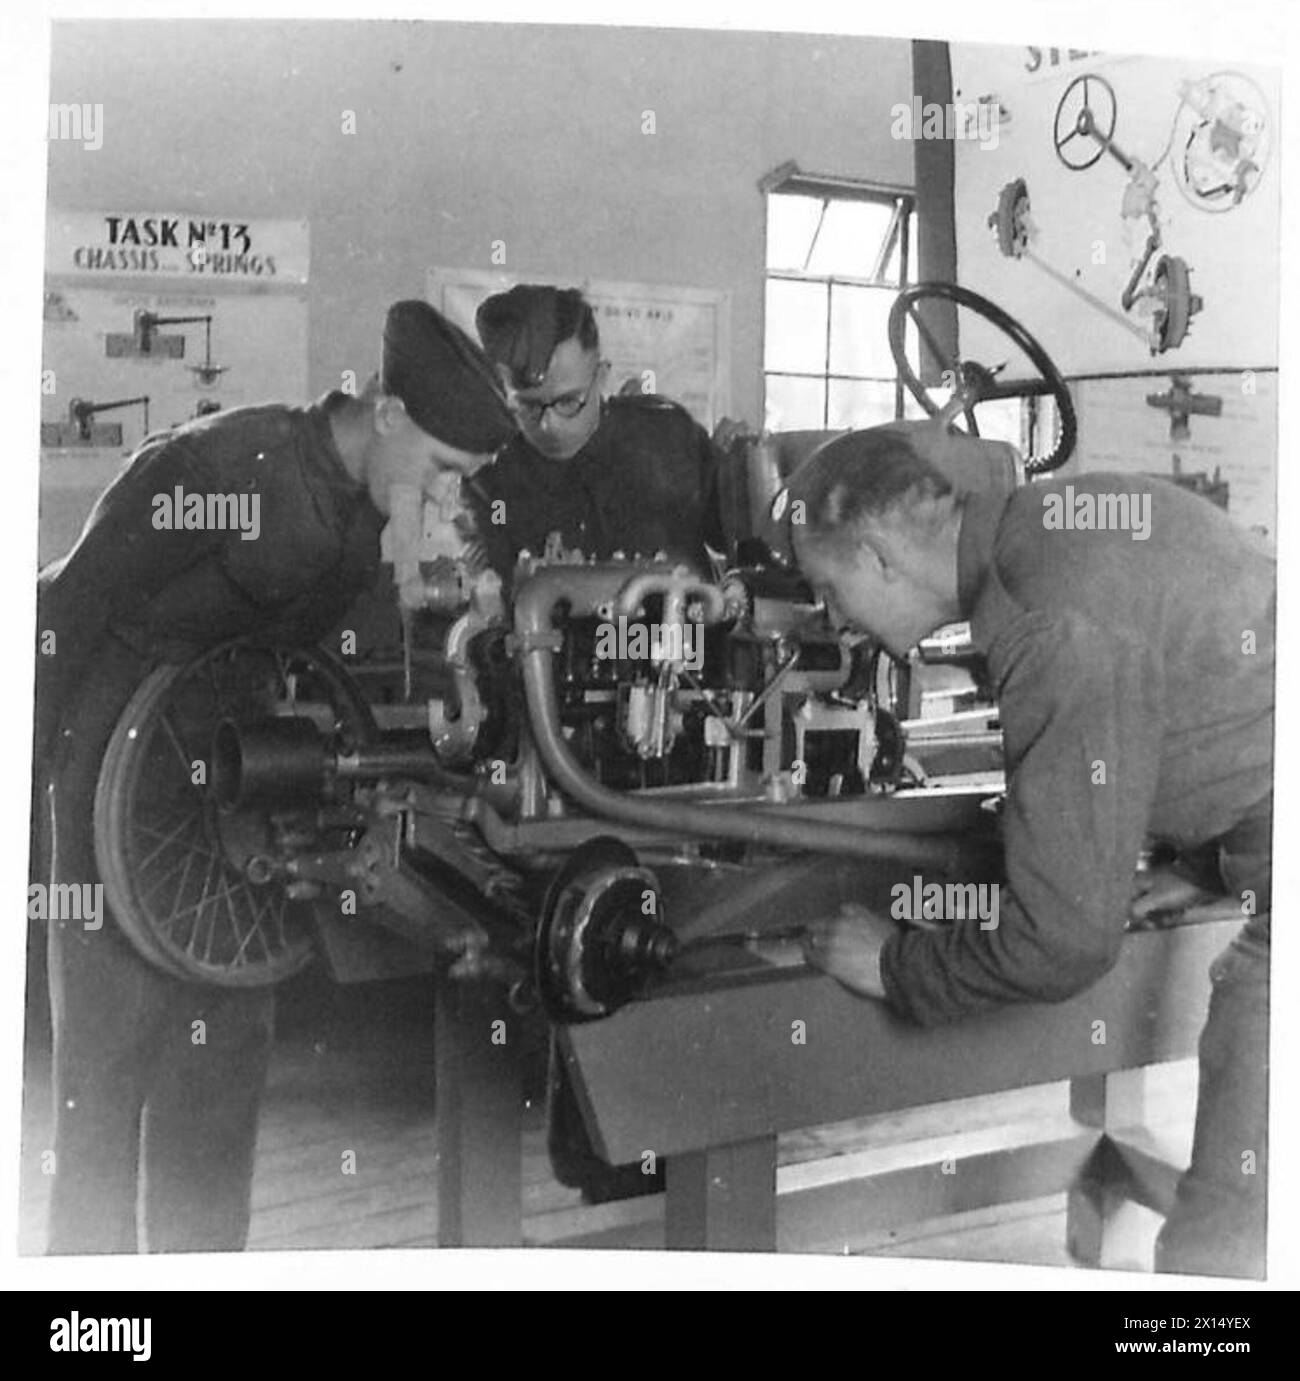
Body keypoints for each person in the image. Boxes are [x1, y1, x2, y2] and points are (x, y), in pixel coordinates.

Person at [31, 300, 513, 1254]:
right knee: (102, 1085)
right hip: (110, 782)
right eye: (448, 473)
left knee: (217, 1087)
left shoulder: (358, 517)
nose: (452, 500)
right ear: (386, 413)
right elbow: (65, 614)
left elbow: (310, 664)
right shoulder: (221, 468)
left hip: (239, 798)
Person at [784, 423, 1272, 1279]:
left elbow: (1066, 941)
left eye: (829, 587)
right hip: (1260, 835)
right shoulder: (1048, 527)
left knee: (1228, 1235)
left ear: (879, 557)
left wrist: (898, 962)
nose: (832, 617)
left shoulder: (1048, 615)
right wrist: (1201, 863)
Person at [465, 284, 724, 582]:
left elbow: (740, 541)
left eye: (567, 401)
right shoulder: (491, 482)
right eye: (528, 406)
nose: (550, 425)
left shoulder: (670, 442)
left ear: (601, 376)